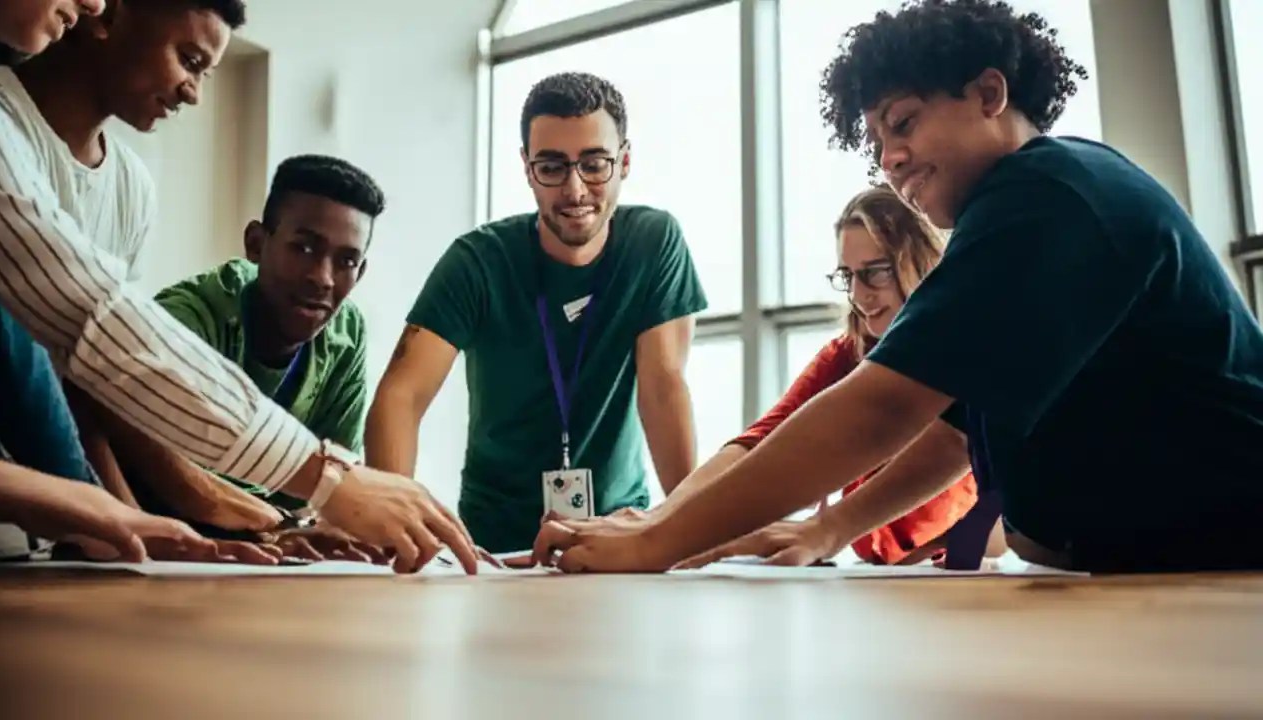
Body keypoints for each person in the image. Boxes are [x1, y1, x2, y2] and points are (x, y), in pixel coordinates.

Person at [532, 0, 1263, 575]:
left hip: (1229, 560)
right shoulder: (1031, 209)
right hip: (1171, 566)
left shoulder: (1047, 197)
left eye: (904, 123)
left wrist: (660, 543)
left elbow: (882, 410)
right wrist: (829, 526)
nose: (890, 158)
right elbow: (952, 429)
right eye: (877, 140)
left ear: (988, 93)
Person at [0, 0, 482, 574]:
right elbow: (97, 328)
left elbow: (85, 372)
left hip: (33, 525)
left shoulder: (130, 185)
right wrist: (321, 481)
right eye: (188, 59)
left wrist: (113, 525)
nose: (193, 92)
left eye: (346, 260)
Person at [366, 72, 707, 553]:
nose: (574, 189)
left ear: (624, 161)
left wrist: (689, 530)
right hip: (494, 546)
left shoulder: (654, 244)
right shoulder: (477, 262)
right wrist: (391, 529)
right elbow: (402, 394)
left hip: (618, 536)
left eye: (594, 164)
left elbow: (663, 385)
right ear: (527, 168)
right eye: (551, 166)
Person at [662, 185, 987, 568]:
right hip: (878, 575)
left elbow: (971, 483)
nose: (860, 294)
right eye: (848, 276)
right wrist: (662, 521)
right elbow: (758, 440)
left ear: (923, 258)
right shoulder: (847, 354)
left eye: (875, 272)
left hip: (971, 570)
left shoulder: (971, 347)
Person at [104, 155, 387, 563]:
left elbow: (330, 479)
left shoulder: (347, 332)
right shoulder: (185, 318)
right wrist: (277, 524)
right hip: (159, 548)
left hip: (268, 547)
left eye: (346, 261)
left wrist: (330, 525)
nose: (323, 277)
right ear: (256, 243)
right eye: (304, 248)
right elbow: (155, 460)